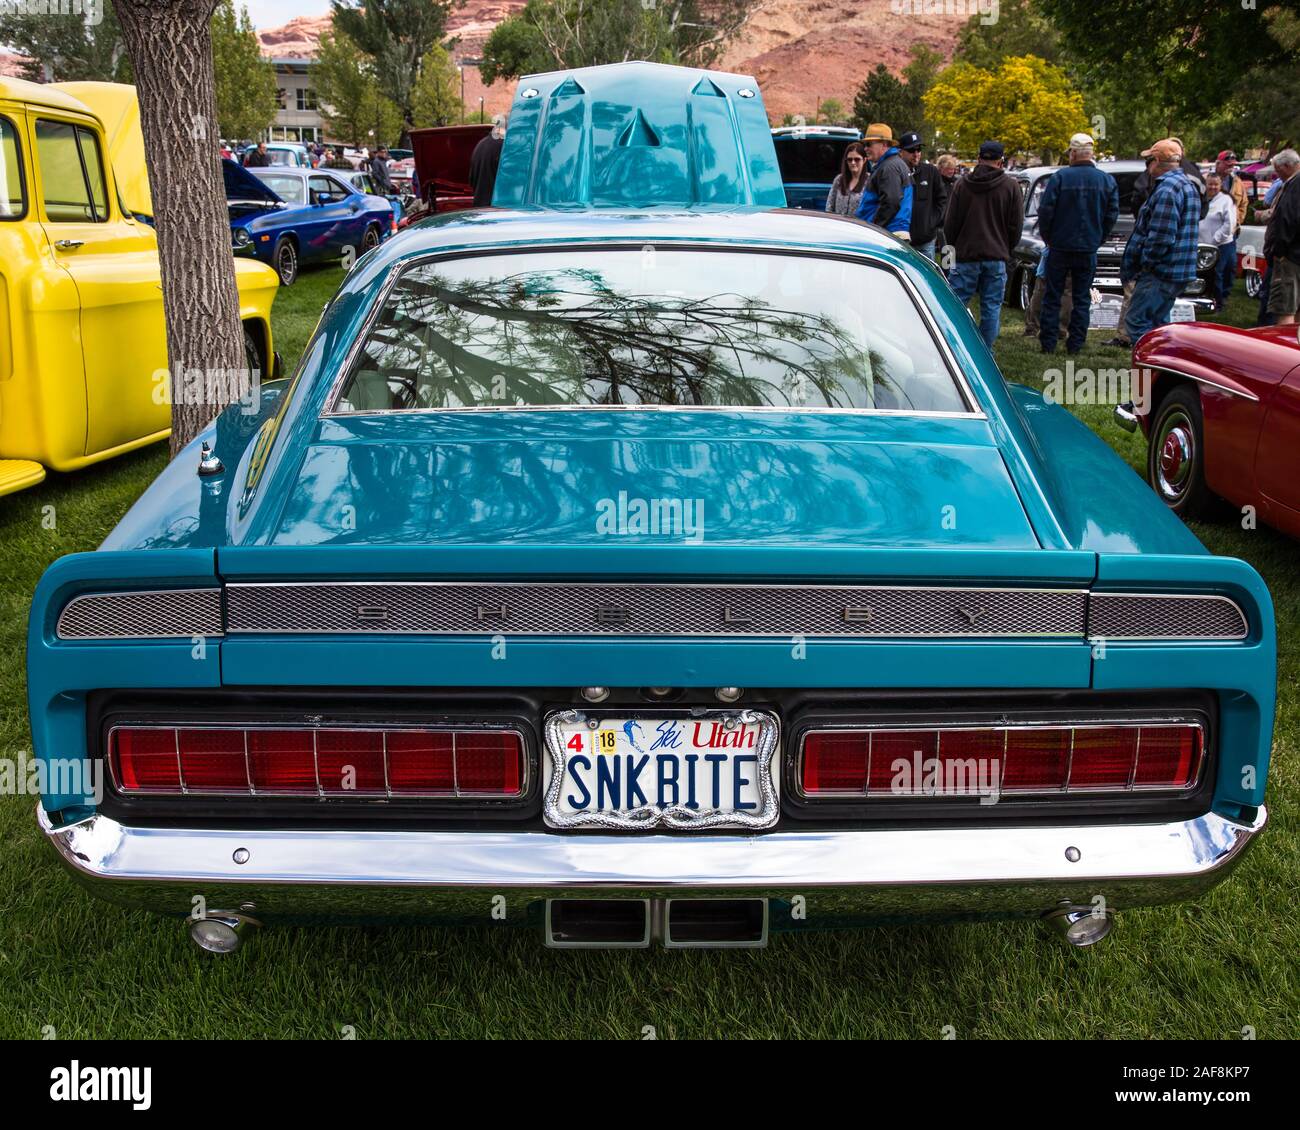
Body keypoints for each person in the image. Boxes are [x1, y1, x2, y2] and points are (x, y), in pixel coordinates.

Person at [1035, 131, 1120, 353]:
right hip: (1087, 247)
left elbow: (1046, 212)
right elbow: (1111, 215)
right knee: (1082, 298)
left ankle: (1049, 342)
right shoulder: (1106, 180)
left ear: (1073, 154)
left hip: (1060, 246)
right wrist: (1098, 238)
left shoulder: (1060, 178)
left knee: (1053, 295)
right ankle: (1076, 343)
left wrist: (1049, 239)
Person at [942, 140, 1024, 348]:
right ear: (1000, 161)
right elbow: (1016, 226)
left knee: (956, 307)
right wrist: (1006, 248)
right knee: (991, 309)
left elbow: (950, 223)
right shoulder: (1011, 186)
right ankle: (985, 354)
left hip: (966, 256)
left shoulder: (963, 184)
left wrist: (953, 247)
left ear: (979, 159)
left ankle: (953, 348)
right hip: (996, 256)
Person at [1121, 138, 1203, 344]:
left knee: (1136, 320)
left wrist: (1146, 263)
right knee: (1159, 322)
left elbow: (1162, 236)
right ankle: (1163, 369)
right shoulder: (1187, 185)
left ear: (1157, 161)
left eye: (1150, 160)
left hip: (1161, 271)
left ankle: (1149, 371)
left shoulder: (1167, 189)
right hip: (1176, 270)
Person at [1263, 149, 1300, 325]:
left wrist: (1278, 252)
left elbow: (1287, 219)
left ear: (1287, 166)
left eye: (1278, 170)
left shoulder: (1295, 185)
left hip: (1290, 258)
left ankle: (1285, 347)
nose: (1277, 174)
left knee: (1285, 308)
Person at [855, 124, 913, 238]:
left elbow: (891, 202)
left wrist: (874, 229)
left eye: (869, 144)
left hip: (888, 234)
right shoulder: (891, 164)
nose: (865, 148)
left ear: (884, 145)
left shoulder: (889, 167)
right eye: (865, 144)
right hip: (889, 232)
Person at [900, 131, 947, 260]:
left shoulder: (931, 171)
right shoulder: (895, 172)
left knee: (925, 278)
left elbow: (942, 199)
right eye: (911, 150)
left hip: (925, 242)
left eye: (919, 149)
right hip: (901, 242)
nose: (916, 154)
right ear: (901, 152)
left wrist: (932, 222)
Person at [1199, 173, 1237, 311]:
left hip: (1221, 244)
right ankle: (1206, 297)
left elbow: (1229, 224)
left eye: (1216, 184)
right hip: (1203, 244)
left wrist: (1215, 240)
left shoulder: (1226, 200)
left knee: (1219, 273)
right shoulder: (1202, 199)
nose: (1213, 187)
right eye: (1210, 184)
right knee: (1206, 273)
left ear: (1221, 185)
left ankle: (1219, 302)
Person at [469, 117, 507, 207]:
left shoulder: (480, 144)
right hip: (496, 209)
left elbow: (471, 180)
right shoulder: (504, 147)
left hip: (478, 208)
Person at [825, 142, 868, 216]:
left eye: (857, 159)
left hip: (859, 226)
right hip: (839, 225)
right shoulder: (839, 180)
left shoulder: (870, 181)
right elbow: (829, 206)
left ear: (864, 160)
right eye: (849, 159)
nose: (853, 162)